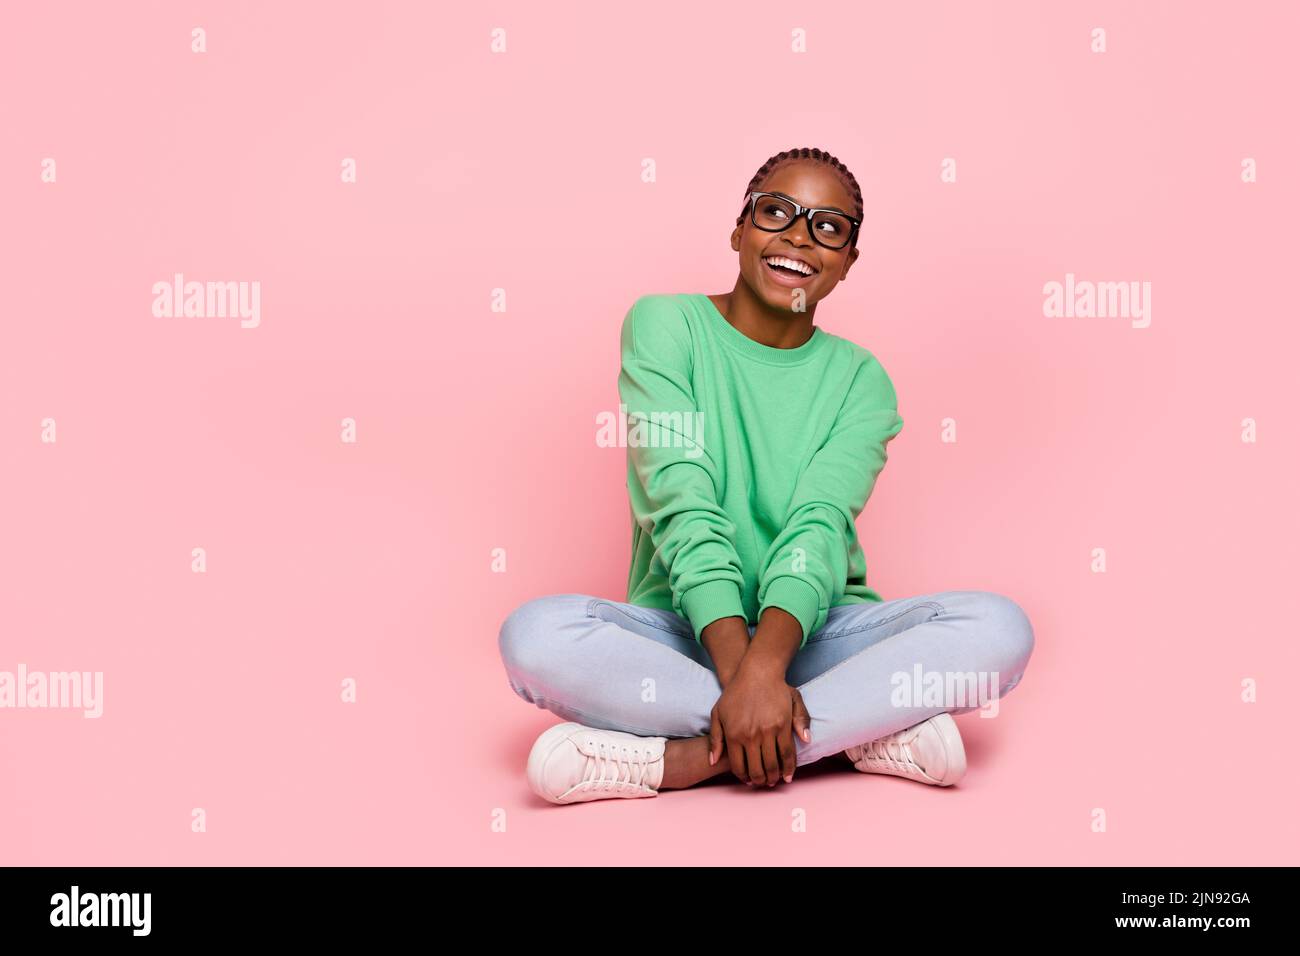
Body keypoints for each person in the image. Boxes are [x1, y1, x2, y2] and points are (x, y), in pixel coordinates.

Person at [498, 147, 1035, 805]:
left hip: (816, 636)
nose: (798, 238)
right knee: (535, 637)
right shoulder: (665, 325)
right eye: (777, 212)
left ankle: (676, 762)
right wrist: (745, 678)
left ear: (848, 262)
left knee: (1000, 628)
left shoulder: (862, 381)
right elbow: (680, 501)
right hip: (681, 639)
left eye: (828, 226)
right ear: (740, 228)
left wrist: (769, 672)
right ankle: (857, 734)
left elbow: (819, 525)